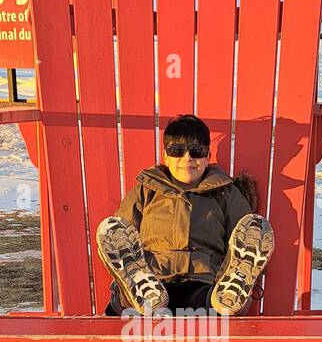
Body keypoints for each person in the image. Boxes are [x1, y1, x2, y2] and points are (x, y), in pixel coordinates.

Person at [95, 114, 275, 316]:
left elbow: (243, 235)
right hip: (154, 281)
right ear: (165, 156)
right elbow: (120, 234)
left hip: (204, 284)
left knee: (216, 304)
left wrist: (237, 266)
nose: (187, 158)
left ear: (207, 156)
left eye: (196, 151)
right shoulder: (146, 191)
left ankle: (231, 290)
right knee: (138, 297)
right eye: (177, 150)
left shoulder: (225, 193)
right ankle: (132, 285)